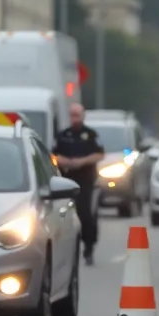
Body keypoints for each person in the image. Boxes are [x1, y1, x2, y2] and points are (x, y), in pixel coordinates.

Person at [54, 103, 105, 265]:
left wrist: (82, 161)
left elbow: (99, 154)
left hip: (85, 180)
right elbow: (52, 154)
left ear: (83, 116)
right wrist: (64, 161)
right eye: (72, 115)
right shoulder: (63, 135)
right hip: (66, 180)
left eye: (78, 115)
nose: (75, 119)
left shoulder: (90, 135)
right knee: (63, 214)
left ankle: (89, 246)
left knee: (85, 213)